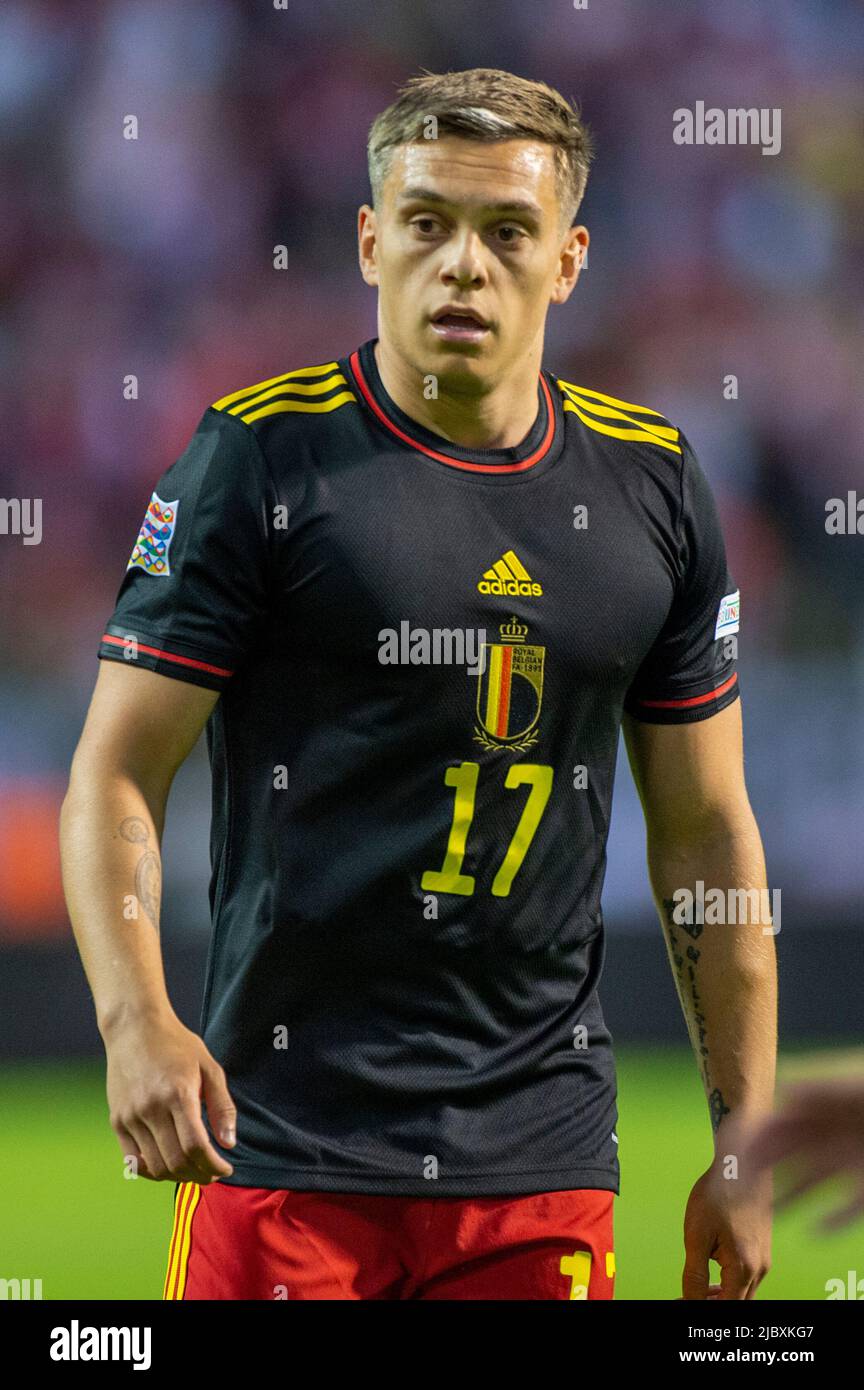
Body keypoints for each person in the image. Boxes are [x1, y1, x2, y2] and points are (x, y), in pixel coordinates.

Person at [60, 66, 776, 1301]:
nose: (462, 265)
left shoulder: (655, 487)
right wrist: (136, 1022)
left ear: (569, 260)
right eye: (429, 222)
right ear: (369, 239)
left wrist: (743, 1142)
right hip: (280, 1142)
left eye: (508, 233)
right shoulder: (258, 459)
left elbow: (708, 832)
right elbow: (117, 767)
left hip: (537, 1164)